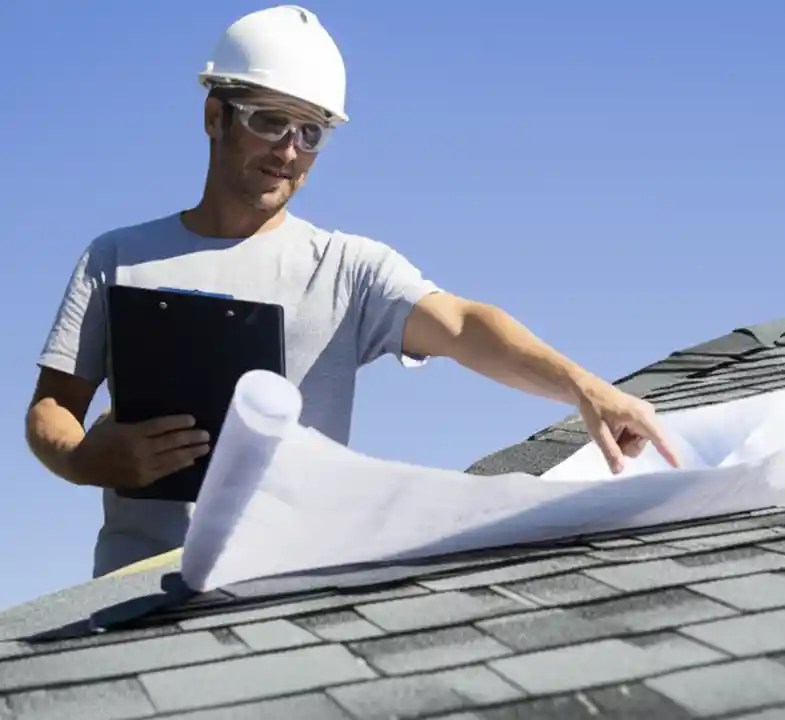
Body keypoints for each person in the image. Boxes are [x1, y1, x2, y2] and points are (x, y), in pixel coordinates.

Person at [25, 5, 680, 578]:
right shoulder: (116, 258)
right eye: (271, 121)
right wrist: (86, 457)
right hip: (130, 600)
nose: (290, 150)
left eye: (311, 132)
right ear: (214, 116)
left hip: (281, 594)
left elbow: (463, 324)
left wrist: (581, 386)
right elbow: (51, 409)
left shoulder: (347, 268)